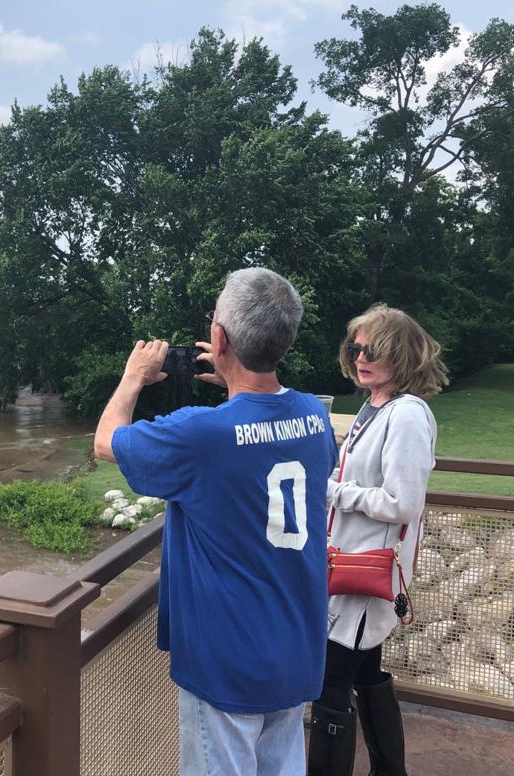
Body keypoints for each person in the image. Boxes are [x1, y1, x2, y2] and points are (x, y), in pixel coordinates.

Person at [94, 268, 339, 776]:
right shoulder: (315, 417)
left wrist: (133, 377)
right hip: (296, 645)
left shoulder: (200, 434)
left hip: (227, 657)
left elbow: (106, 440)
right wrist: (235, 384)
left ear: (220, 338)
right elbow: (263, 430)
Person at [307, 304, 448, 776]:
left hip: (366, 574)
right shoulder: (375, 406)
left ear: (402, 355)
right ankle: (390, 771)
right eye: (355, 347)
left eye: (374, 349)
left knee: (331, 682)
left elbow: (404, 503)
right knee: (365, 673)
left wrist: (331, 491)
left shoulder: (407, 415)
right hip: (350, 565)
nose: (361, 356)